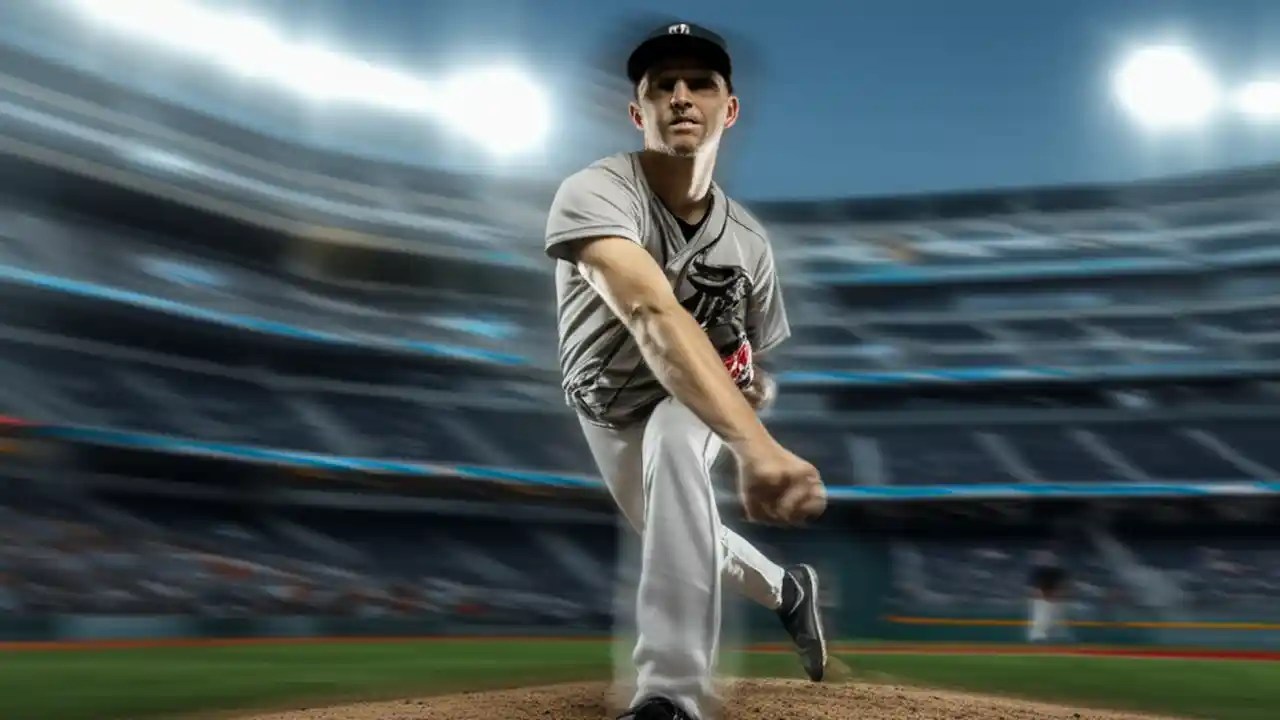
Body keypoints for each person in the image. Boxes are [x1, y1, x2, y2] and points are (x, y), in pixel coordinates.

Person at [543, 20, 829, 720]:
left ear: (729, 109)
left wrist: (751, 398)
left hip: (690, 400)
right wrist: (755, 448)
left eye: (700, 83)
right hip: (603, 405)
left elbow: (754, 366)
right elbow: (650, 312)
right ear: (635, 110)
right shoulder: (595, 191)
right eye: (661, 85)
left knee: (676, 441)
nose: (680, 96)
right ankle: (787, 590)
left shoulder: (751, 246)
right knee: (679, 531)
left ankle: (669, 692)